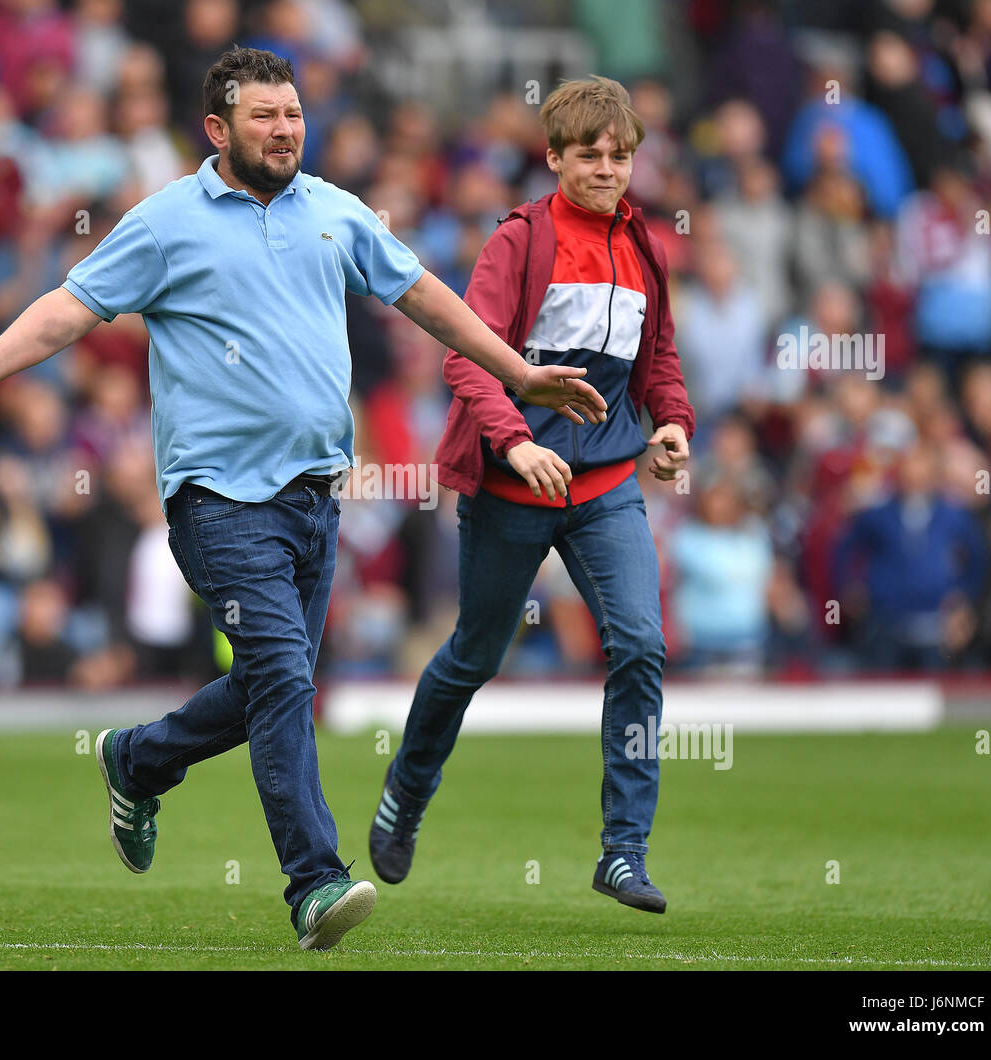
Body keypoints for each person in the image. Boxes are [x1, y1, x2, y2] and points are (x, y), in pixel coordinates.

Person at [0, 47, 607, 950]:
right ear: (218, 129)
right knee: (285, 680)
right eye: (264, 118)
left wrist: (515, 370)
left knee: (264, 687)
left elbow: (423, 295)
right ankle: (314, 882)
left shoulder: (336, 211)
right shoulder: (167, 222)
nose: (285, 131)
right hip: (216, 499)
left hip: (317, 500)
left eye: (292, 115)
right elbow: (73, 306)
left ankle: (136, 759)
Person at [369, 76, 696, 914]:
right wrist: (514, 443)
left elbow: (657, 358)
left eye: (621, 156)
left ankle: (623, 851)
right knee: (474, 657)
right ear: (553, 158)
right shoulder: (519, 241)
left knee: (641, 646)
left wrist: (673, 423)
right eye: (590, 155)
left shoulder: (645, 244)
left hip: (608, 488)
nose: (608, 169)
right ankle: (407, 790)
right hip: (512, 491)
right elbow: (462, 356)